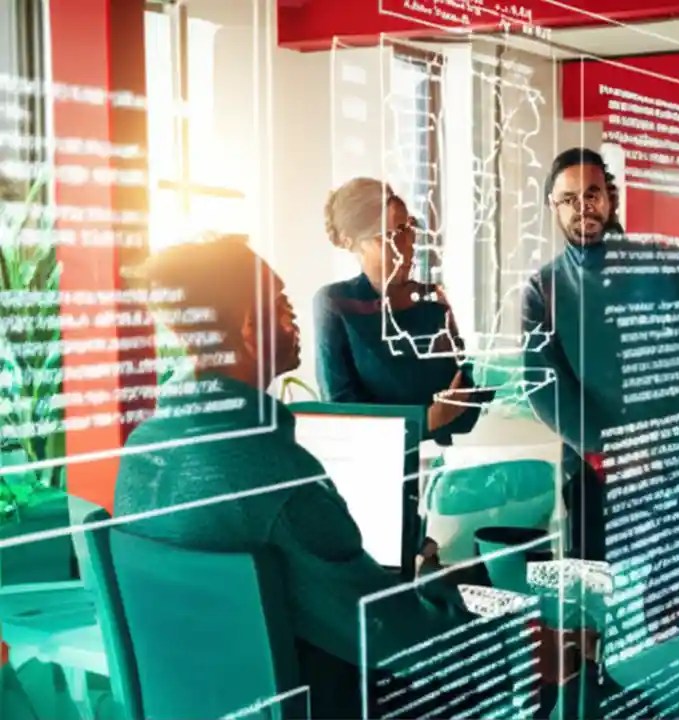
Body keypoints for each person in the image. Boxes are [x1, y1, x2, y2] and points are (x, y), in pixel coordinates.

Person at [113, 236, 483, 719]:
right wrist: (451, 595)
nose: (293, 322)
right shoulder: (275, 476)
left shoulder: (142, 450)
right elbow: (394, 637)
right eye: (282, 305)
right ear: (250, 327)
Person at [520, 148, 679, 655]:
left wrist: (667, 444)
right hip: (595, 473)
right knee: (593, 609)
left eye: (591, 194)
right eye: (567, 199)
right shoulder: (542, 288)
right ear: (553, 207)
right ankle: (600, 696)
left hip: (678, 468)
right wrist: (612, 451)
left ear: (610, 197)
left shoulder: (670, 264)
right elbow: (545, 385)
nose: (580, 208)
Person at [315, 177, 482, 442]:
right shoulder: (336, 303)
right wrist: (428, 420)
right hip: (377, 471)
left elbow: (463, 399)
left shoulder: (431, 298)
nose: (407, 244)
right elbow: (342, 415)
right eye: (391, 235)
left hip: (442, 463)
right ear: (352, 242)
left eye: (409, 228)